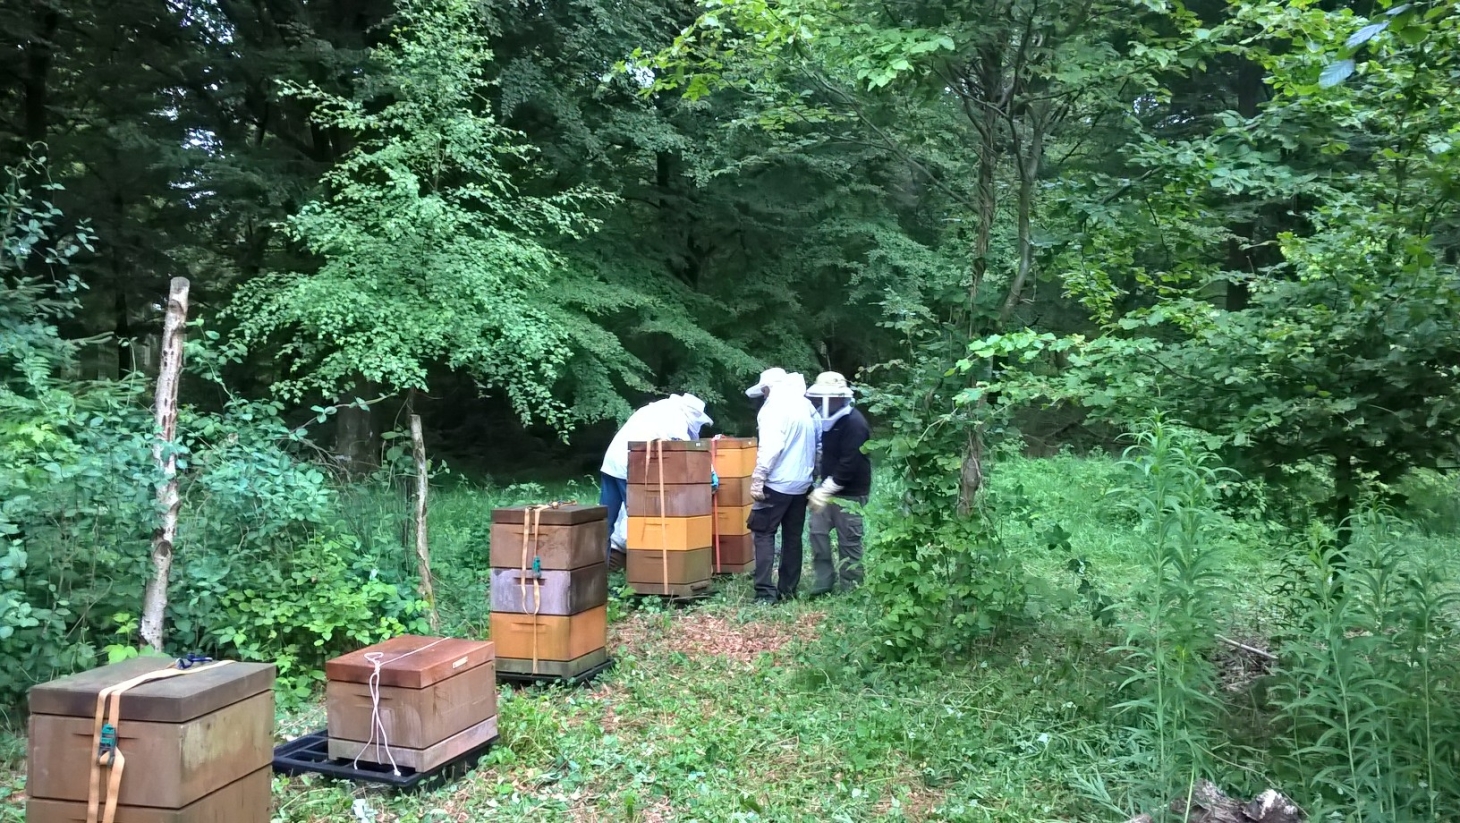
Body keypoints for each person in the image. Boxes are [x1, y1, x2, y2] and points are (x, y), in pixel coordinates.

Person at [600, 394, 712, 568]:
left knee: (603, 523)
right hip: (631, 465)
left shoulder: (654, 409)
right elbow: (686, 450)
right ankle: (646, 573)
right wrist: (710, 472)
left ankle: (597, 574)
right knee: (642, 521)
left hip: (611, 462)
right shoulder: (676, 417)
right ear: (692, 414)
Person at [745, 367, 817, 604]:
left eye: (764, 390)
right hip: (802, 483)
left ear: (768, 388)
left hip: (777, 483)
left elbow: (771, 446)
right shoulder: (805, 406)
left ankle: (765, 593)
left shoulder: (773, 408)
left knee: (764, 533)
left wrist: (759, 476)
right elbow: (818, 445)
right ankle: (788, 589)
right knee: (793, 537)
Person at [804, 371, 871, 596]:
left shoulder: (855, 423)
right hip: (828, 489)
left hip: (851, 493)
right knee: (817, 533)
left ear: (838, 397)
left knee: (849, 541)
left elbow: (849, 462)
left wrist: (827, 488)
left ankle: (852, 588)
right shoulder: (829, 420)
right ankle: (824, 583)